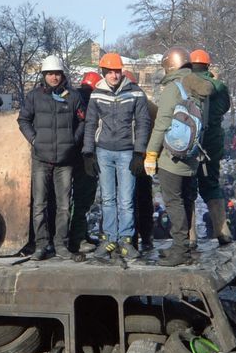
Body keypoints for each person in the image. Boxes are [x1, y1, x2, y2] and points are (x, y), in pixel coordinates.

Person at [143, 48, 215, 266]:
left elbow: (162, 124)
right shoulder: (200, 88)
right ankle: (182, 246)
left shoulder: (173, 89)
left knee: (173, 202)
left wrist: (151, 154)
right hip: (191, 155)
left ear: (170, 67)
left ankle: (180, 250)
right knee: (185, 200)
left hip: (171, 158)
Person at [82, 53, 151, 262]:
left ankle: (126, 240)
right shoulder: (97, 94)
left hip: (126, 152)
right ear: (103, 72)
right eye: (110, 72)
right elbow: (91, 124)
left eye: (117, 71)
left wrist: (139, 153)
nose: (114, 75)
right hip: (103, 151)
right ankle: (109, 239)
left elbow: (143, 123)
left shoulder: (135, 93)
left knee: (126, 200)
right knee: (107, 198)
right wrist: (88, 152)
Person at [16, 55, 81, 260]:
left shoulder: (73, 96)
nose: (54, 77)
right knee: (39, 204)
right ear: (44, 75)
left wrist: (73, 141)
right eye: (50, 73)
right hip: (41, 158)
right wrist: (34, 140)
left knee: (64, 205)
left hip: (65, 159)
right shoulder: (34, 97)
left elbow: (84, 122)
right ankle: (41, 245)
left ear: (62, 75)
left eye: (57, 73)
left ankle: (61, 245)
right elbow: (23, 119)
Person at [189, 48, 233, 246]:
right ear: (208, 66)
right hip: (212, 144)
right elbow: (224, 107)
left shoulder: (185, 83)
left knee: (186, 189)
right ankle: (222, 230)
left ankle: (189, 237)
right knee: (212, 186)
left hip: (189, 144)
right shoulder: (220, 87)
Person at [65, 71, 102, 257]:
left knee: (73, 200)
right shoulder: (90, 101)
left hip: (71, 155)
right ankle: (77, 238)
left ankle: (80, 234)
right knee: (83, 198)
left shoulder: (72, 97)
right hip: (85, 157)